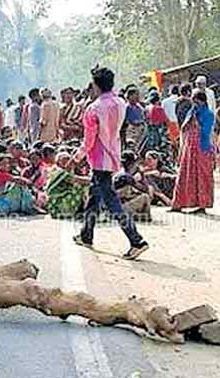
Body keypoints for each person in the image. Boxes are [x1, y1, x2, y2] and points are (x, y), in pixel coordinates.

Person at [73, 67, 150, 260]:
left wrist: (77, 156)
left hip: (99, 158)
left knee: (111, 201)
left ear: (96, 85)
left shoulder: (93, 108)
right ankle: (86, 234)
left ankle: (136, 240)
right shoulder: (120, 103)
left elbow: (89, 139)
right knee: (94, 195)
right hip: (113, 154)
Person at [171, 91, 215, 214]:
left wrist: (196, 123)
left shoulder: (208, 114)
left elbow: (206, 132)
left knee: (202, 176)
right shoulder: (191, 112)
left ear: (202, 101)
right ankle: (179, 204)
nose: (195, 104)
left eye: (197, 101)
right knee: (185, 174)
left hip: (202, 148)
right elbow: (184, 128)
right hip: (189, 148)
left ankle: (202, 205)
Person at [46, 152, 89, 218]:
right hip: (57, 201)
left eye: (68, 159)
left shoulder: (67, 171)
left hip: (61, 197)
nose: (66, 161)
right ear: (58, 161)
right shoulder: (59, 171)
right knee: (81, 187)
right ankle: (70, 211)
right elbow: (76, 180)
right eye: (63, 159)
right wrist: (93, 180)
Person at [114, 151, 153, 222]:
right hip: (120, 208)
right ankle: (144, 217)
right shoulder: (123, 175)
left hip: (120, 206)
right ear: (131, 164)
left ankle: (140, 217)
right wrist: (134, 181)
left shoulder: (120, 172)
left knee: (145, 195)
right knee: (145, 197)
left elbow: (145, 189)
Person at [139, 91, 169, 156]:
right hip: (158, 131)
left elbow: (144, 118)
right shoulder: (159, 109)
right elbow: (165, 120)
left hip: (148, 130)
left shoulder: (146, 108)